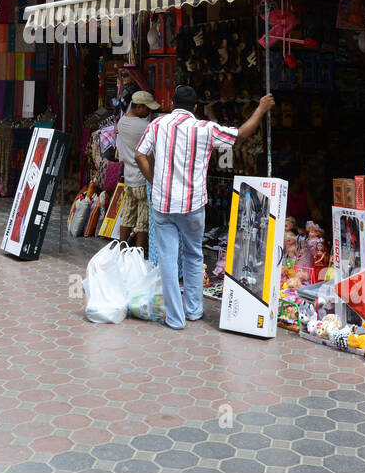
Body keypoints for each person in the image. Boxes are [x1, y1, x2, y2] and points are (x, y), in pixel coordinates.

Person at [135, 85, 275, 331]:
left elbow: (140, 155)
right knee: (193, 254)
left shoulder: (156, 125)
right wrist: (261, 109)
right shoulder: (205, 129)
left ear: (173, 103)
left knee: (167, 258)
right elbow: (241, 134)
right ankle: (194, 310)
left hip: (162, 203)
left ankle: (175, 319)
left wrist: (153, 180)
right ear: (195, 108)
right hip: (192, 205)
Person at [117, 90, 160, 252]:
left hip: (129, 177)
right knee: (143, 217)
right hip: (142, 178)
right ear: (139, 107)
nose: (149, 111)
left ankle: (122, 248)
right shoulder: (145, 127)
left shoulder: (121, 122)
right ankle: (140, 251)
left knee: (127, 213)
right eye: (147, 108)